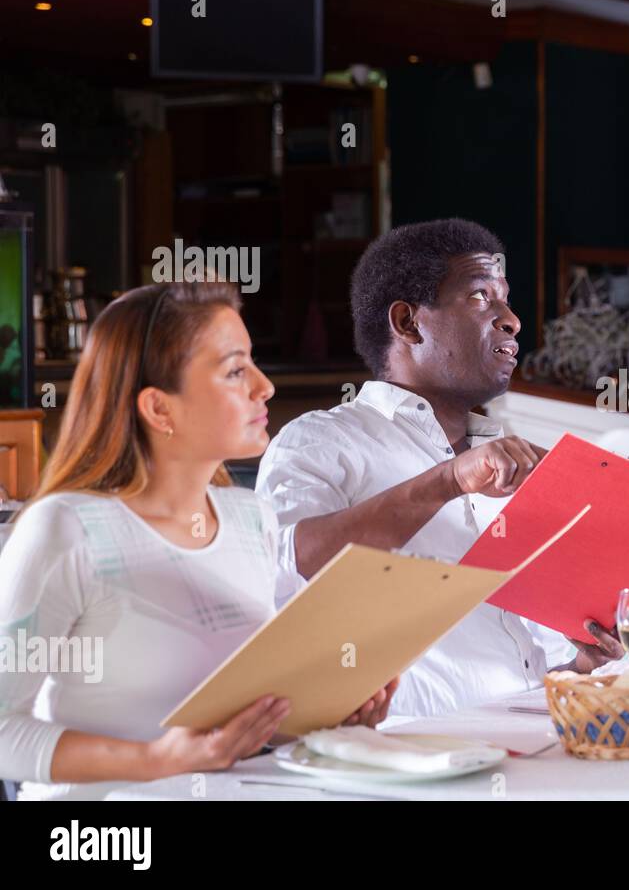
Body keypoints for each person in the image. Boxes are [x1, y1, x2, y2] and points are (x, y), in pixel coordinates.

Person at [0, 282, 395, 800]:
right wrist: (156, 760)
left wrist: (326, 720)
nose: (263, 387)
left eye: (252, 363)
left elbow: (238, 728)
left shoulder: (252, 519)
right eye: (235, 371)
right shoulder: (65, 529)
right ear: (159, 410)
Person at [257, 219, 623, 718]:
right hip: (406, 760)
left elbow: (512, 668)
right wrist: (449, 481)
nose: (511, 319)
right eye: (480, 297)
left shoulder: (513, 459)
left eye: (505, 299)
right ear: (408, 323)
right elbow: (288, 565)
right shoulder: (322, 440)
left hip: (530, 748)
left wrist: (579, 667)